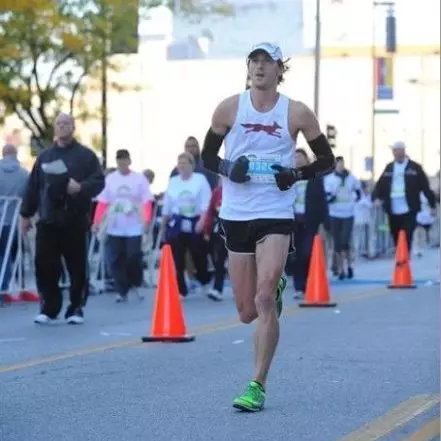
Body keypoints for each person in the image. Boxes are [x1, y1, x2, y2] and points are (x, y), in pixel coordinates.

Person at [201, 42, 335, 412]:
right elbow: (207, 156)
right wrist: (229, 168)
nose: (259, 67)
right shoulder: (229, 108)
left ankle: (257, 384)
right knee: (246, 311)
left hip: (275, 211)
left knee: (263, 299)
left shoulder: (296, 112)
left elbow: (326, 161)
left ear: (280, 69)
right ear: (248, 68)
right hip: (236, 212)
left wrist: (295, 174)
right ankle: (269, 291)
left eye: (267, 61)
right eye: (254, 61)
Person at [20, 113, 105, 325]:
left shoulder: (86, 156)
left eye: (66, 123)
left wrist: (81, 188)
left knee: (77, 266)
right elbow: (33, 187)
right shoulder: (45, 156)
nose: (62, 127)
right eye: (58, 123)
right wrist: (25, 214)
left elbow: (99, 181)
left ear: (73, 127)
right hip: (48, 219)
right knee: (44, 264)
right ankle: (49, 308)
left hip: (74, 219)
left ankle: (76, 308)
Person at [93, 149, 154, 302]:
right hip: (115, 225)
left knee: (133, 256)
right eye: (119, 160)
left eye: (124, 159)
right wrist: (97, 221)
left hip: (134, 225)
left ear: (129, 161)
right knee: (115, 259)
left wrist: (146, 219)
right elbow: (103, 202)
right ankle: (122, 290)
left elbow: (147, 201)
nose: (122, 162)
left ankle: (136, 282)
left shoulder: (139, 180)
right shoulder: (111, 179)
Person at [161, 152, 213, 297]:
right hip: (177, 221)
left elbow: (206, 202)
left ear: (192, 165)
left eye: (185, 163)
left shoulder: (200, 180)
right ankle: (181, 289)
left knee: (198, 254)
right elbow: (167, 204)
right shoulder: (174, 181)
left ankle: (204, 280)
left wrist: (202, 221)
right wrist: (164, 225)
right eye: (180, 163)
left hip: (195, 220)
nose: (182, 166)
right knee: (177, 256)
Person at [371, 141, 436, 252]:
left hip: (409, 208)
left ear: (404, 151)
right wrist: (375, 198)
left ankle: (405, 258)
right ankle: (400, 258)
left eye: (399, 150)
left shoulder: (415, 168)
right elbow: (380, 185)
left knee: (406, 234)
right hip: (393, 208)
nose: (396, 153)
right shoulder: (389, 168)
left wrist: (432, 205)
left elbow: (425, 186)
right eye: (394, 151)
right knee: (396, 234)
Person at [288, 148, 328, 299]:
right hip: (293, 221)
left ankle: (309, 281)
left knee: (307, 253)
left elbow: (322, 201)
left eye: (300, 157)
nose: (298, 160)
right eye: (295, 157)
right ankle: (299, 286)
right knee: (296, 255)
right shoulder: (290, 176)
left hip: (310, 221)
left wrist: (324, 223)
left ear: (306, 159)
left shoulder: (315, 177)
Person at [324, 156, 361, 279]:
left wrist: (354, 200)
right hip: (334, 214)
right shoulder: (329, 179)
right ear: (335, 165)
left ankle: (349, 265)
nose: (340, 166)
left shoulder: (352, 179)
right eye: (338, 164)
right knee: (337, 243)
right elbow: (326, 196)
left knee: (345, 241)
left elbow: (358, 193)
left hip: (348, 214)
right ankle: (341, 269)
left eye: (342, 164)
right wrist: (331, 198)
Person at [0, 144, 29, 294]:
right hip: (16, 222)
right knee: (16, 252)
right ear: (16, 154)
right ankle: (20, 285)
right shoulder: (24, 174)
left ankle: (3, 288)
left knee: (1, 256)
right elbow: (29, 197)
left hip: (1, 220)